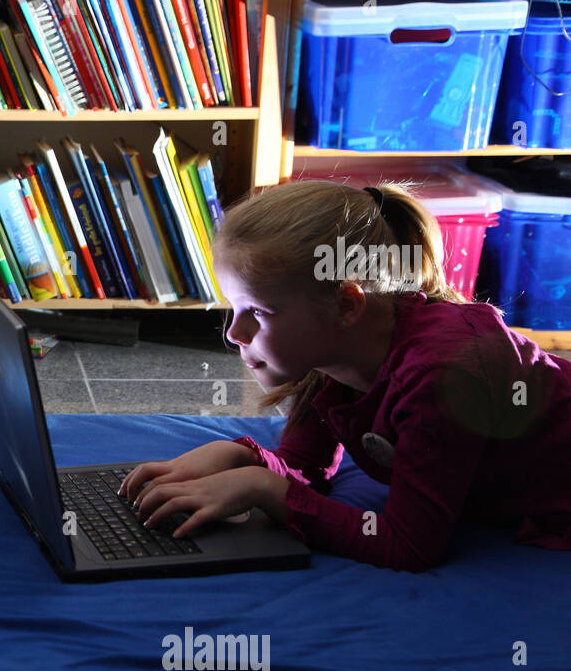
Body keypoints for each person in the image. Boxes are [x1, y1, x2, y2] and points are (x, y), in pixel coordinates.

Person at [119, 179, 571, 572]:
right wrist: (242, 457)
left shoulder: (443, 375)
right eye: (234, 309)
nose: (235, 333)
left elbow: (407, 546)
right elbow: (305, 468)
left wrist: (261, 488)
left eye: (257, 311)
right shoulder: (335, 351)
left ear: (346, 304)